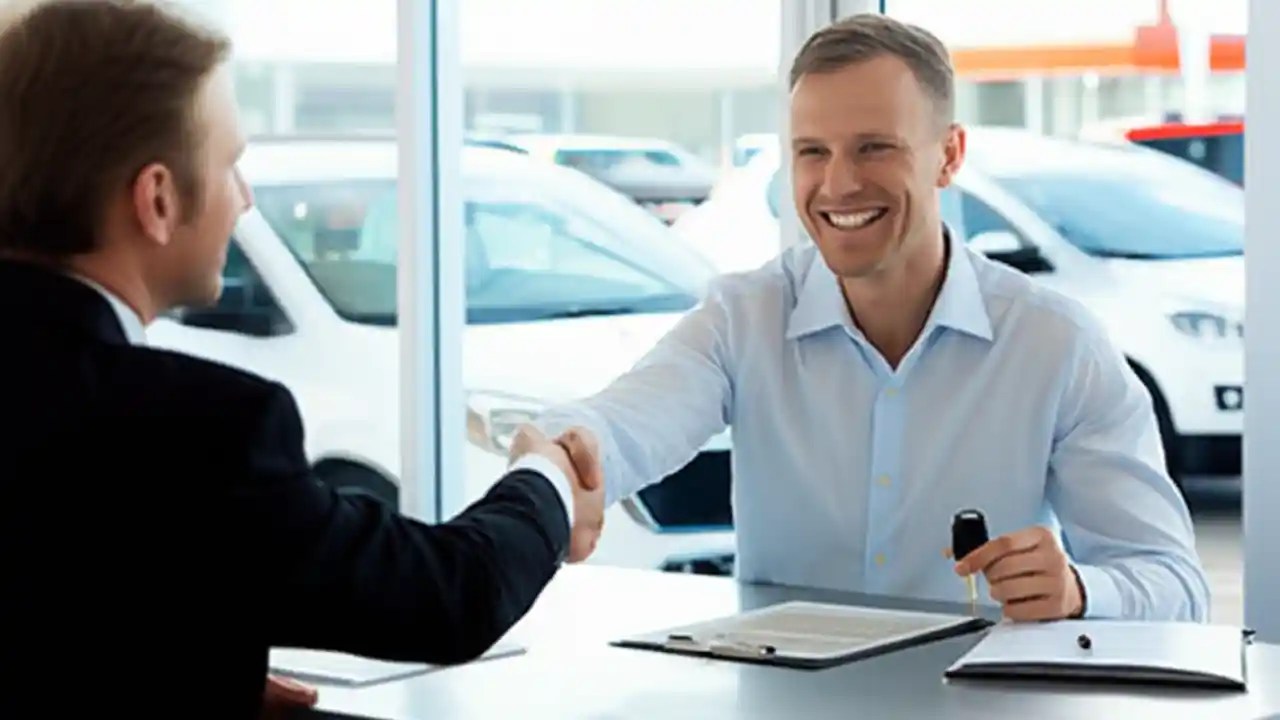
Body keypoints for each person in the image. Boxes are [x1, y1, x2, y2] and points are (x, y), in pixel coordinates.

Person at [0, 1, 604, 716]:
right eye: (230, 165)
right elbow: (449, 596)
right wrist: (549, 481)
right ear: (157, 199)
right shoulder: (203, 427)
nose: (245, 200)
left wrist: (192, 671)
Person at [527, 13, 1210, 623]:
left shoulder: (1056, 344)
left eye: (873, 147)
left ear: (949, 155)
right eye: (812, 152)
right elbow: (622, 425)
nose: (839, 184)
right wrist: (563, 459)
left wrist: (1081, 592)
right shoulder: (744, 318)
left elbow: (1174, 584)